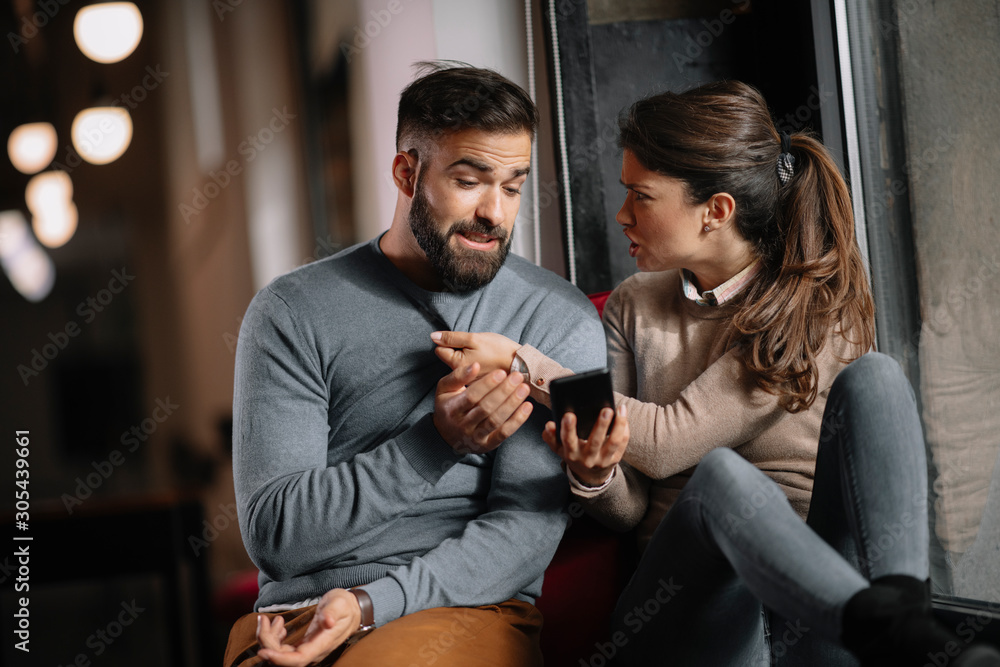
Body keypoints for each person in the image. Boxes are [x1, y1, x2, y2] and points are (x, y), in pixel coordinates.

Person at [432, 81, 1000, 666]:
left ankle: (901, 616)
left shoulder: (809, 305)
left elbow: (667, 439)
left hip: (820, 626)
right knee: (722, 481)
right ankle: (895, 633)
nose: (622, 214)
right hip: (691, 625)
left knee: (877, 378)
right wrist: (594, 474)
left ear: (717, 211)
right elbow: (633, 503)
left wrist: (525, 362)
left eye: (642, 197)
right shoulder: (633, 304)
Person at [224, 62, 606, 667]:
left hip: (465, 608)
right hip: (295, 613)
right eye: (469, 180)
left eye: (512, 185)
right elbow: (277, 540)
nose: (495, 213)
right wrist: (437, 442)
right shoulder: (291, 311)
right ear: (407, 171)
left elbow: (523, 532)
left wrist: (370, 603)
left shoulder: (555, 320)